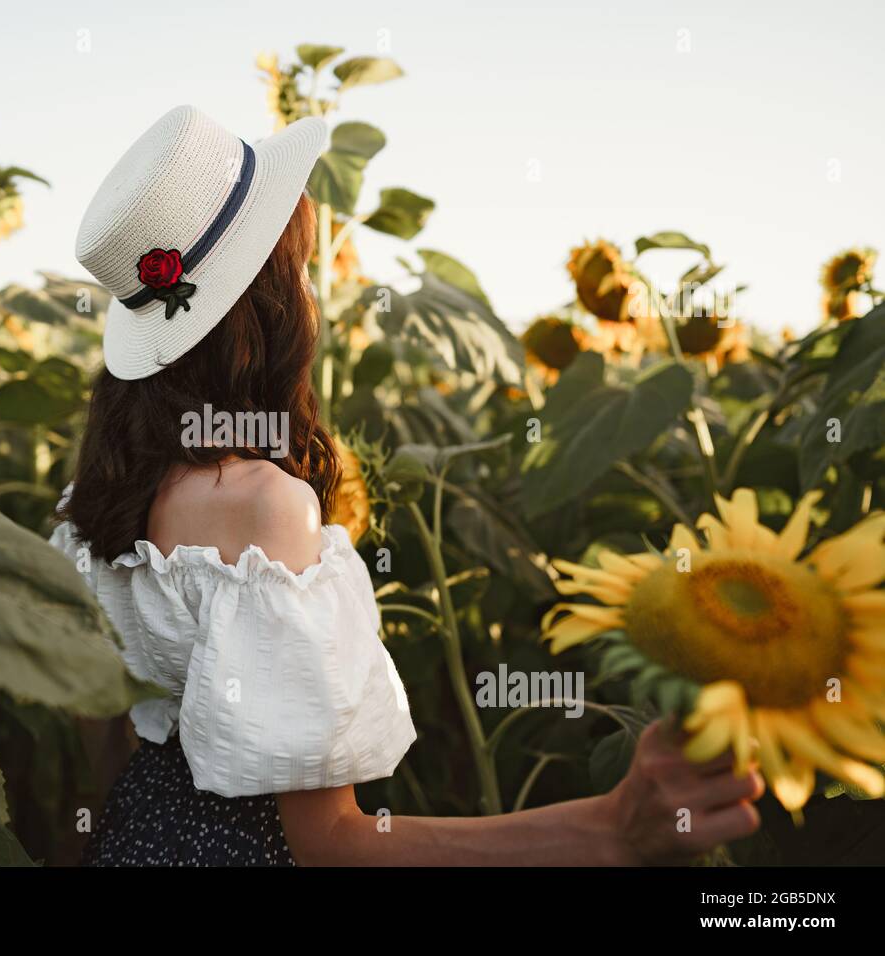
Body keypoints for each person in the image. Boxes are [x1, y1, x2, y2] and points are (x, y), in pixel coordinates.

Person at [50, 106, 762, 866]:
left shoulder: (97, 493)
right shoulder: (266, 508)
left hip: (137, 835)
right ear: (268, 306)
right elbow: (332, 842)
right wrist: (610, 828)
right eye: (298, 270)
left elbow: (106, 727)